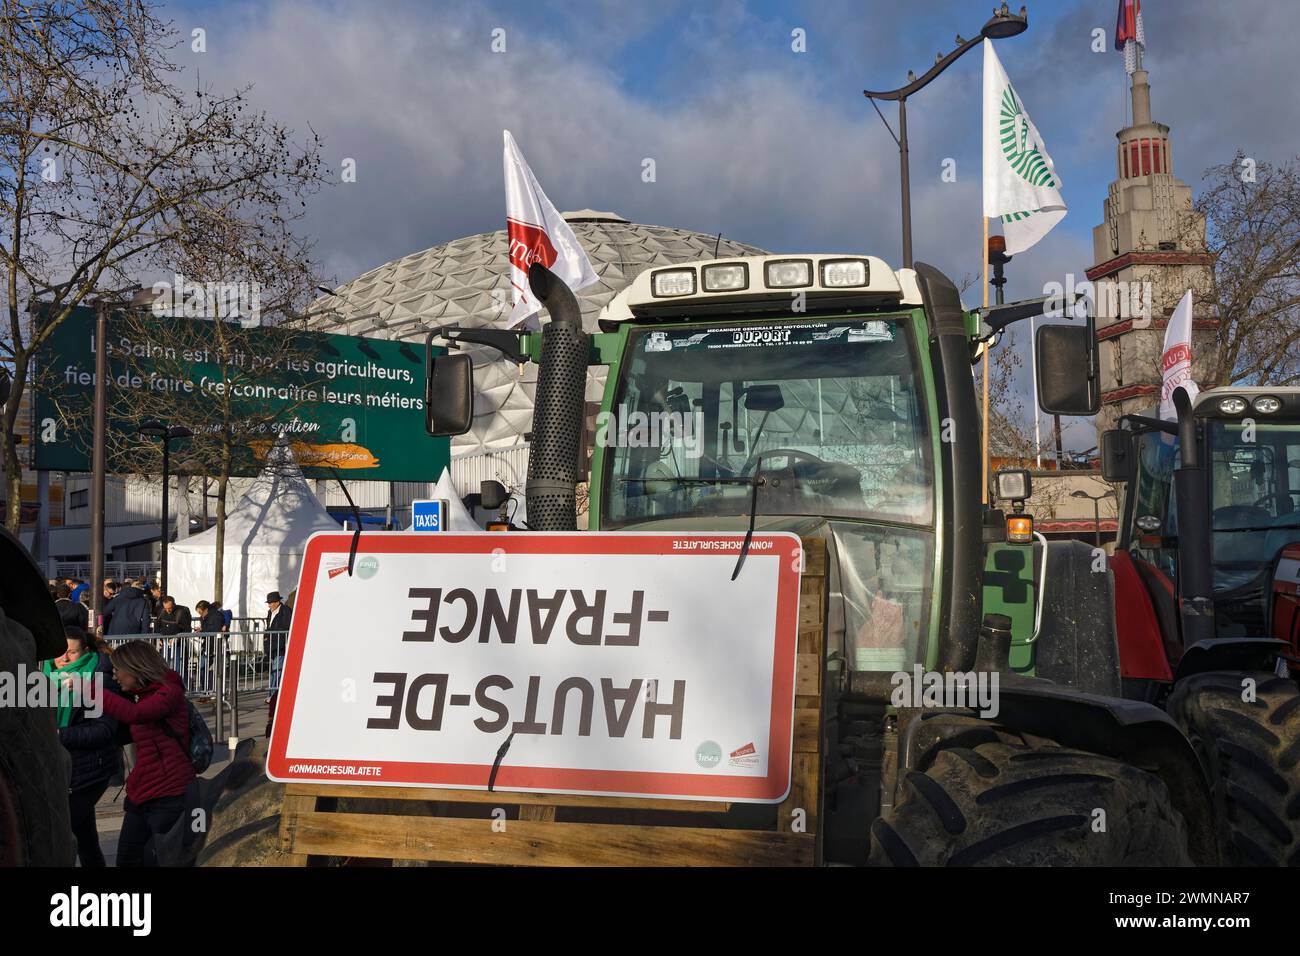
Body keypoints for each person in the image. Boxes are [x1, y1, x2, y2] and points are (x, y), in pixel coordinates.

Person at [98, 641, 194, 867]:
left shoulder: (169, 691)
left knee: (161, 859)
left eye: (118, 669)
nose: (115, 675)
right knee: (127, 858)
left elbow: (134, 715)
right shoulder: (140, 694)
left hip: (169, 792)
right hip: (142, 791)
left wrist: (91, 690)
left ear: (135, 668)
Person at [45, 626, 121, 867]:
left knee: (58, 836)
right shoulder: (42, 676)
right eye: (59, 652)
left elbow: (105, 730)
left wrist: (59, 735)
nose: (63, 659)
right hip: (59, 770)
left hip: (89, 770)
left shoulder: (99, 680)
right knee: (86, 838)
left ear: (86, 652)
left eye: (72, 653)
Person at [155, 596, 192, 675]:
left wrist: (177, 638)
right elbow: (157, 626)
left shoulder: (182, 612)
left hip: (178, 645)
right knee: (164, 668)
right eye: (166, 608)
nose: (168, 610)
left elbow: (188, 629)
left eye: (170, 608)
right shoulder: (161, 611)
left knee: (178, 668)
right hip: (164, 644)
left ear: (174, 604)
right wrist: (158, 639)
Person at [266, 591, 292, 695]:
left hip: (280, 645)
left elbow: (287, 626)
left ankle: (272, 695)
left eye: (271, 602)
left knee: (277, 671)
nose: (269, 605)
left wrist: (272, 631)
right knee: (273, 671)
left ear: (277, 602)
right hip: (272, 646)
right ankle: (271, 694)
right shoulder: (270, 612)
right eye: (269, 603)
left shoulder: (286, 611)